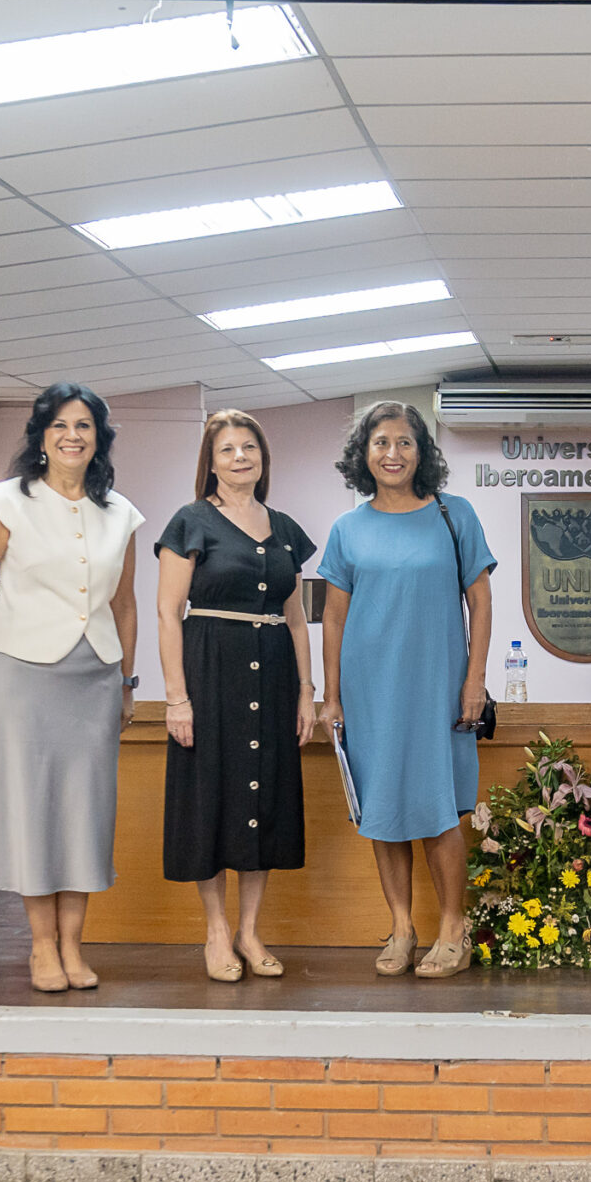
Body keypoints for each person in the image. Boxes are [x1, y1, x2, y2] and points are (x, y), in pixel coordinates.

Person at [0, 383, 141, 993]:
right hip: (25, 675)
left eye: (84, 425)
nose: (72, 435)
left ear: (99, 439)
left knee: (84, 807)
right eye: (59, 425)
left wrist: (127, 681)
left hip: (95, 677)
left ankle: (75, 947)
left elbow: (125, 604)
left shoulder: (120, 513)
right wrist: (17, 624)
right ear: (41, 436)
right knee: (34, 804)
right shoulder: (8, 501)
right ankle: (40, 948)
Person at [316, 401, 496, 979]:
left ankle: (452, 928)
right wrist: (332, 695)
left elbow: (482, 602)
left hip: (438, 688)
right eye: (380, 443)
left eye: (404, 443)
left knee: (440, 811)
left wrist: (475, 680)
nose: (392, 454)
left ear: (422, 452)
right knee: (384, 811)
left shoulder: (454, 515)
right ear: (362, 455)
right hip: (371, 693)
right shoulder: (347, 529)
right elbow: (335, 621)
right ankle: (401, 926)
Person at [155, 409, 319, 982]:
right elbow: (167, 613)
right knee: (213, 799)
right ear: (212, 462)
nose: (240, 457)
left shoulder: (285, 528)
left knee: (262, 799)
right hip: (210, 672)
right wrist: (177, 697)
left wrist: (306, 691)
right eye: (227, 450)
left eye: (249, 447)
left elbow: (297, 620)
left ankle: (251, 931)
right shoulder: (190, 521)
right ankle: (217, 932)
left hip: (273, 676)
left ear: (263, 458)